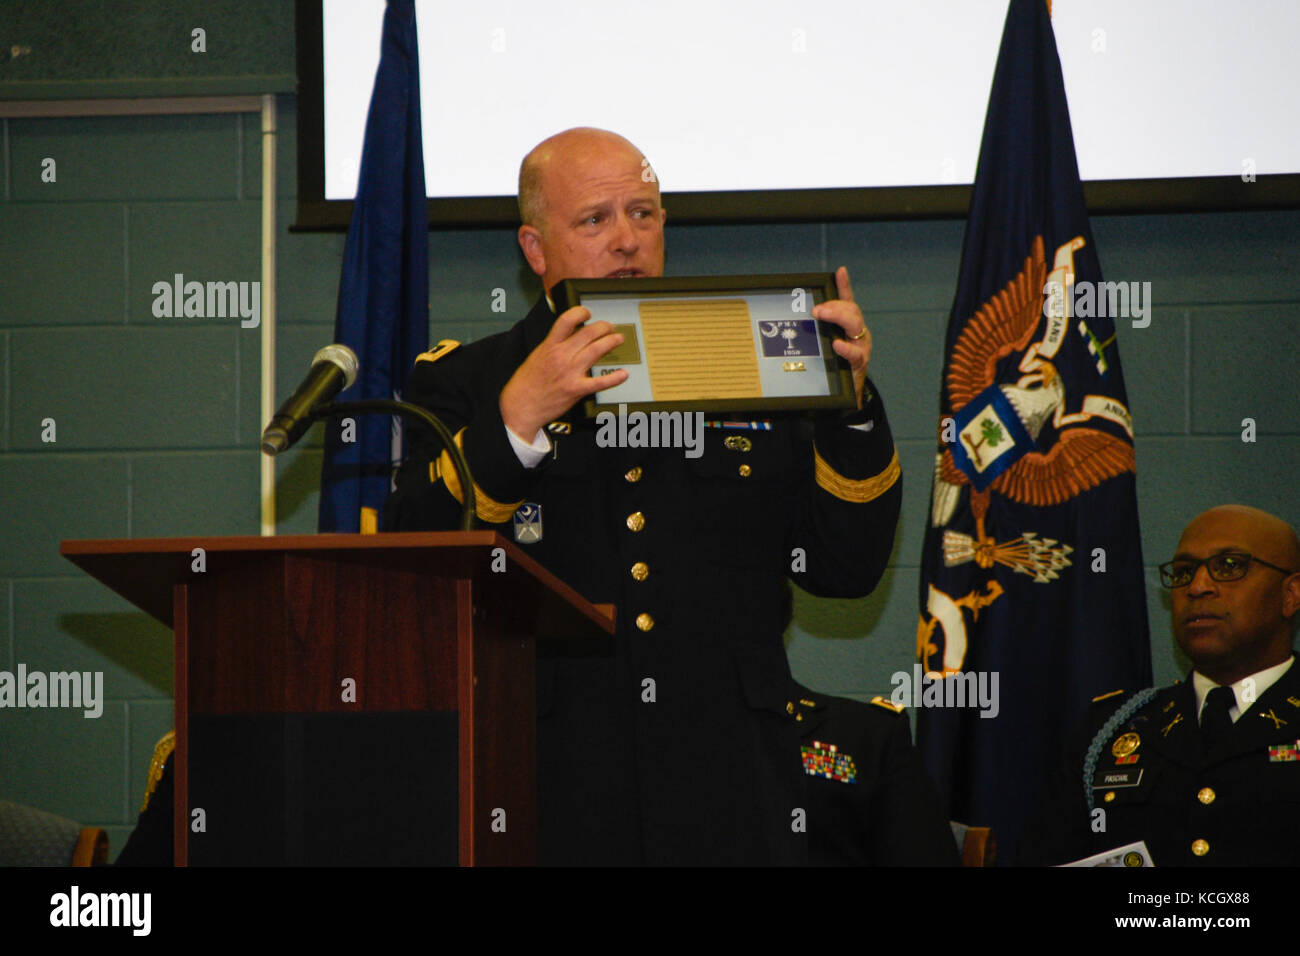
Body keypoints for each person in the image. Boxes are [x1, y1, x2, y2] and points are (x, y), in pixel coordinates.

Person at [383, 128, 903, 865]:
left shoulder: (754, 357)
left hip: (735, 783)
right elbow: (412, 577)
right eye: (595, 220)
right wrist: (514, 423)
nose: (626, 239)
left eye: (645, 214)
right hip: (550, 784)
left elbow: (844, 569)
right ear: (534, 250)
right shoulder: (472, 379)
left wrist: (851, 410)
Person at [1022, 504, 1300, 866]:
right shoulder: (1110, 731)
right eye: (1184, 573)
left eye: (1229, 566)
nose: (1198, 586)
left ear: (1291, 594)